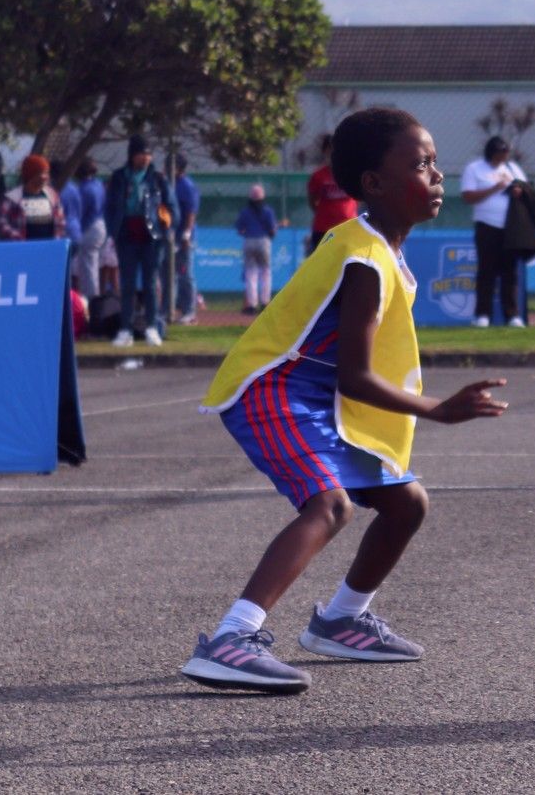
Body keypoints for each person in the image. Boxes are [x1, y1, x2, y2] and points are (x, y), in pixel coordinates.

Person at [182, 108, 508, 695]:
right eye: (420, 164)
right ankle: (232, 638)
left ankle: (341, 619)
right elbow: (356, 376)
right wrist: (437, 408)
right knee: (332, 506)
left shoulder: (383, 252)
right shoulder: (362, 255)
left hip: (319, 397)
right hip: (273, 389)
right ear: (375, 184)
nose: (436, 175)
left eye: (435, 162)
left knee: (407, 502)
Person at [105, 135, 177, 349]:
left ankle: (152, 327)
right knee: (126, 284)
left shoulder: (157, 178)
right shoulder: (119, 177)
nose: (145, 158)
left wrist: (168, 229)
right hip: (126, 236)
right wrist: (113, 231)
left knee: (150, 284)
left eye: (148, 154)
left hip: (152, 238)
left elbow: (172, 206)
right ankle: (125, 329)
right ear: (132, 155)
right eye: (141, 154)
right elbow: (110, 207)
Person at [459, 136, 528, 328]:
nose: (503, 157)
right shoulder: (475, 169)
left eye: (506, 153)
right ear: (492, 152)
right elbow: (468, 196)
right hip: (486, 225)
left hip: (511, 227)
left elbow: (527, 190)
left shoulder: (512, 169)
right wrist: (495, 188)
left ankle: (512, 315)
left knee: (510, 272)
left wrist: (518, 192)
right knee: (486, 271)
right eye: (500, 153)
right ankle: (482, 314)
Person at [306, 136, 359, 256]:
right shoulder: (318, 176)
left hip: (349, 227)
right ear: (324, 152)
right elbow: (312, 200)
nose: (333, 155)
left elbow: (358, 196)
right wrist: (325, 214)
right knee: (322, 263)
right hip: (324, 229)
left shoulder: (351, 174)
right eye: (329, 150)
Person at [0, 154, 67, 241]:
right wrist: (18, 237)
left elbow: (60, 220)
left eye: (47, 173)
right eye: (43, 173)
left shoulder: (51, 195)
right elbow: (2, 222)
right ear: (32, 175)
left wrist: (56, 238)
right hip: (22, 249)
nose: (47, 177)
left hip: (47, 247)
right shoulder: (13, 197)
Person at [235, 184, 279, 314]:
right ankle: (265, 303)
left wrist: (247, 232)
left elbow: (239, 228)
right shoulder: (267, 211)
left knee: (251, 274)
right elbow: (272, 229)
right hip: (263, 241)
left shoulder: (245, 211)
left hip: (249, 241)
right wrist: (271, 234)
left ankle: (251, 305)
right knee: (265, 273)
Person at [171, 155, 202, 325]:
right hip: (171, 237)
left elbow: (191, 211)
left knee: (186, 275)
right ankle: (175, 309)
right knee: (172, 276)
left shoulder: (187, 186)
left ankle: (189, 312)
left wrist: (186, 233)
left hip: (184, 238)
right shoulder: (170, 184)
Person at [71, 159, 108, 297]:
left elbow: (82, 212)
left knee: (87, 266)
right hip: (101, 224)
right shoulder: (98, 184)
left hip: (90, 226)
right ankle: (91, 295)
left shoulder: (83, 188)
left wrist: (80, 230)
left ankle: (91, 298)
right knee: (91, 263)